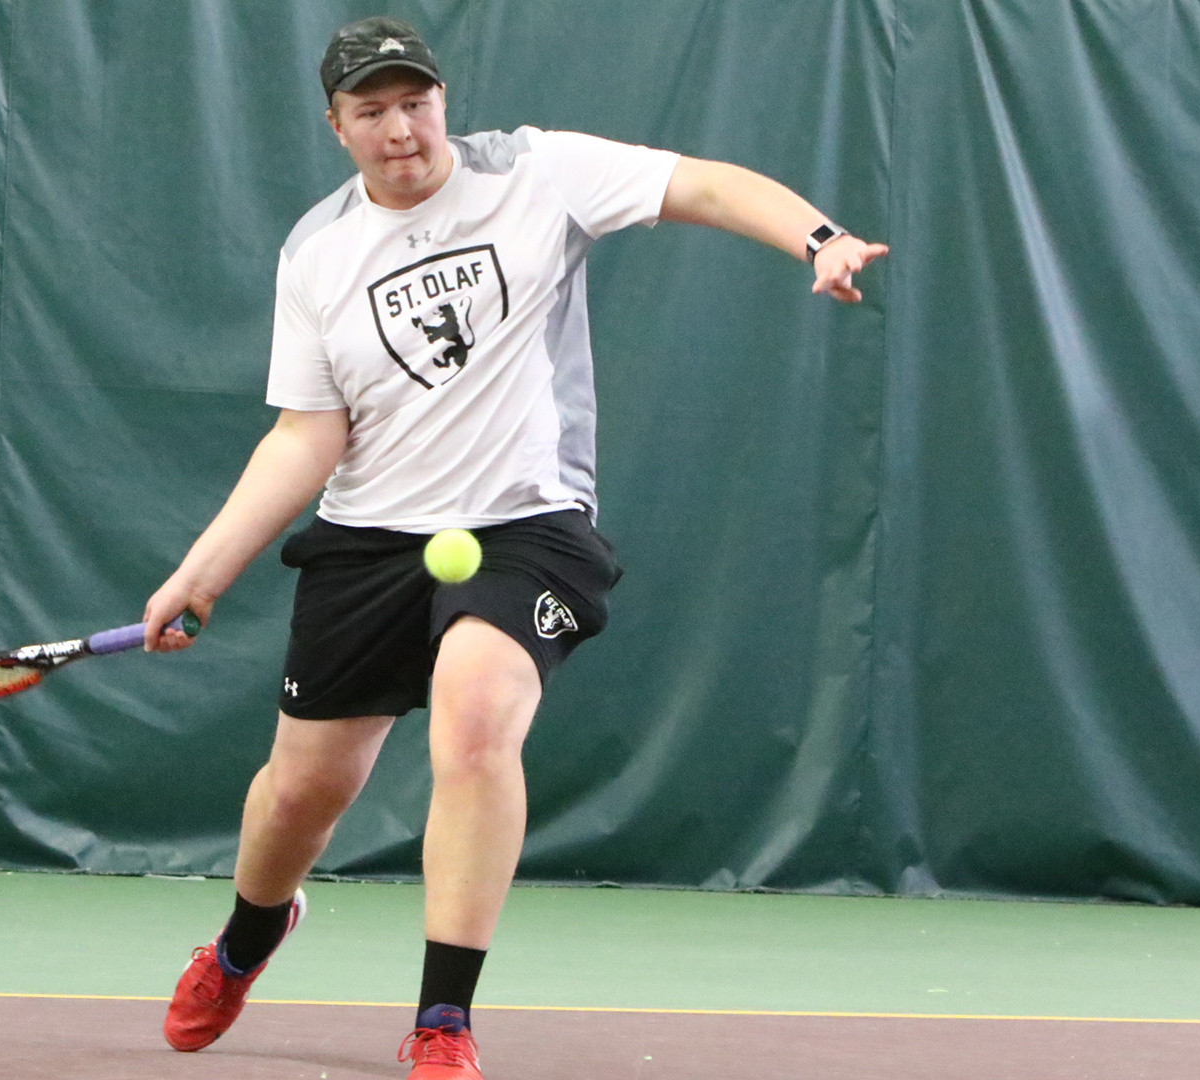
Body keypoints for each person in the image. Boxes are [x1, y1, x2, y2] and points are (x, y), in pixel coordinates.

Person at [139, 16, 886, 1079]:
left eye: (415, 102)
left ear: (442, 98)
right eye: (372, 111)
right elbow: (309, 432)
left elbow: (705, 185)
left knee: (477, 718)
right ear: (336, 126)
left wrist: (819, 240)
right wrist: (202, 572)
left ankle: (443, 1020)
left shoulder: (536, 171)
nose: (401, 129)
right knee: (300, 794)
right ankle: (246, 942)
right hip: (368, 540)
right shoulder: (317, 250)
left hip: (528, 525)